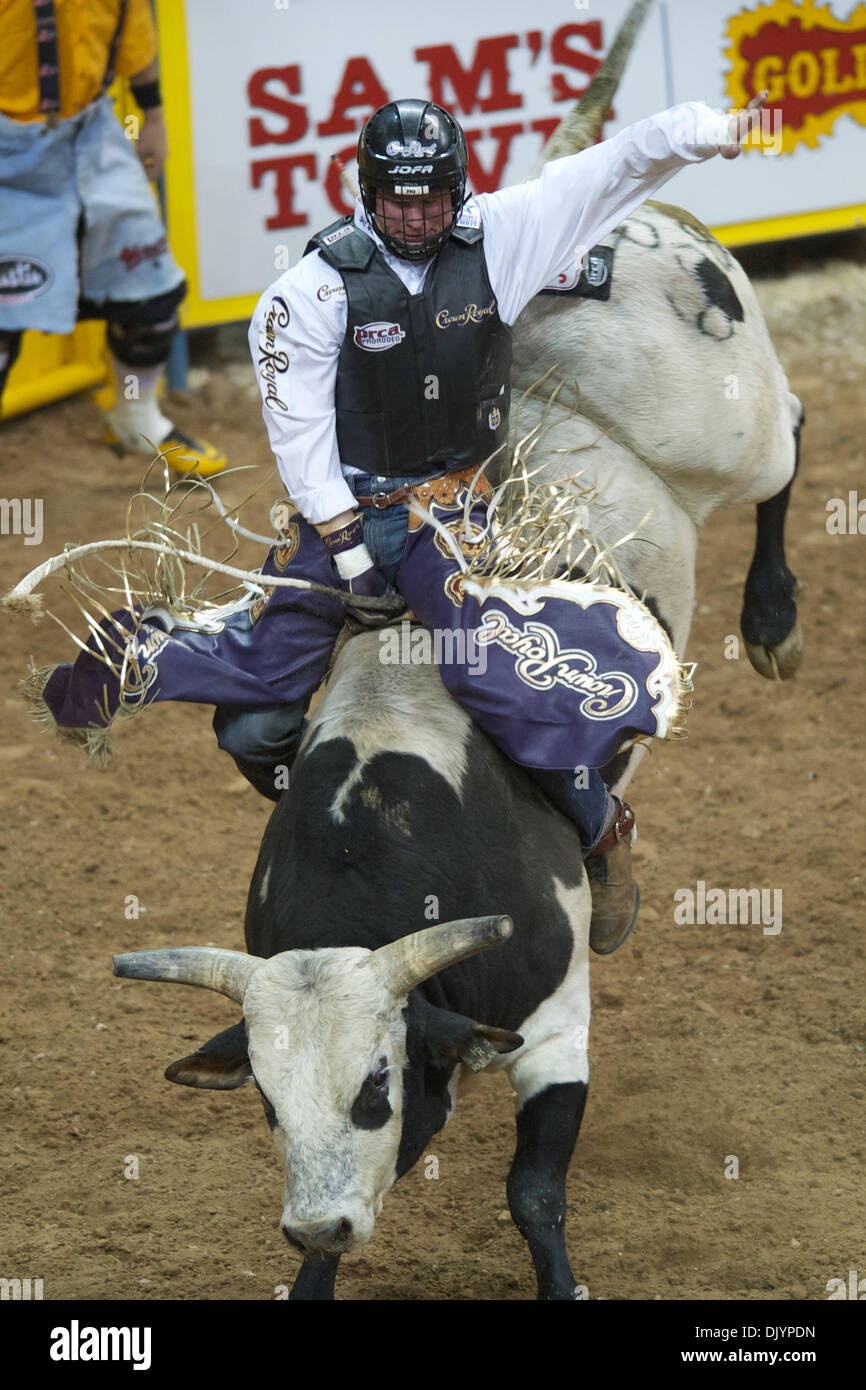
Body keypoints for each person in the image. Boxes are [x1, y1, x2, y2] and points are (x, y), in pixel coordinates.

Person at [227, 92, 767, 955]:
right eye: (398, 201)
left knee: (508, 687)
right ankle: (318, 811)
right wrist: (350, 555)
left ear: (460, 191)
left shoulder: (503, 236)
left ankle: (600, 828)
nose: (416, 217)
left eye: (433, 200)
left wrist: (712, 131)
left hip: (455, 513)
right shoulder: (308, 292)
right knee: (248, 722)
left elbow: (616, 164)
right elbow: (300, 438)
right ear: (367, 195)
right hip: (343, 513)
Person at [0, 0, 224, 474]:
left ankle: (134, 417)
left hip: (89, 130)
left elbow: (134, 34)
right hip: (5, 149)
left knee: (151, 289)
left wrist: (153, 115)